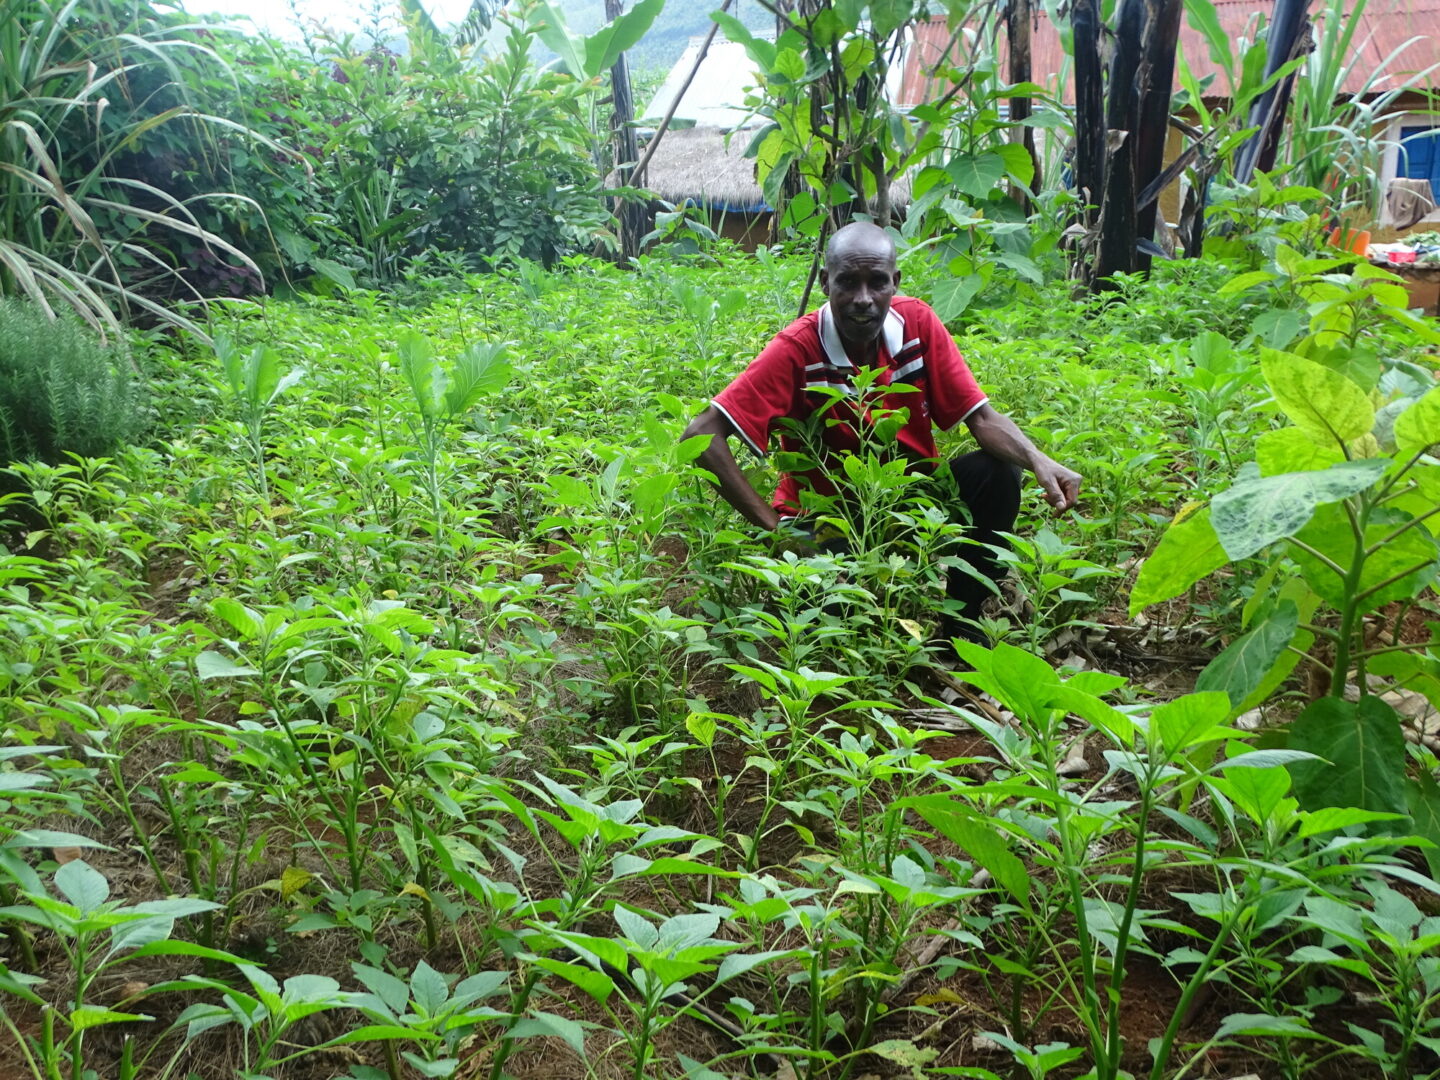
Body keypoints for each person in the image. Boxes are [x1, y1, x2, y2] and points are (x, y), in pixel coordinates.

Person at [682, 221, 1082, 648]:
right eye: (847, 283)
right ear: (825, 283)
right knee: (838, 631)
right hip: (827, 520)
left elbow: (981, 420)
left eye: (876, 282)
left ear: (895, 282)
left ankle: (962, 627)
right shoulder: (797, 349)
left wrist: (1039, 460)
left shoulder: (917, 323)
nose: (863, 299)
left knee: (997, 474)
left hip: (910, 503)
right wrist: (777, 531)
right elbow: (701, 436)